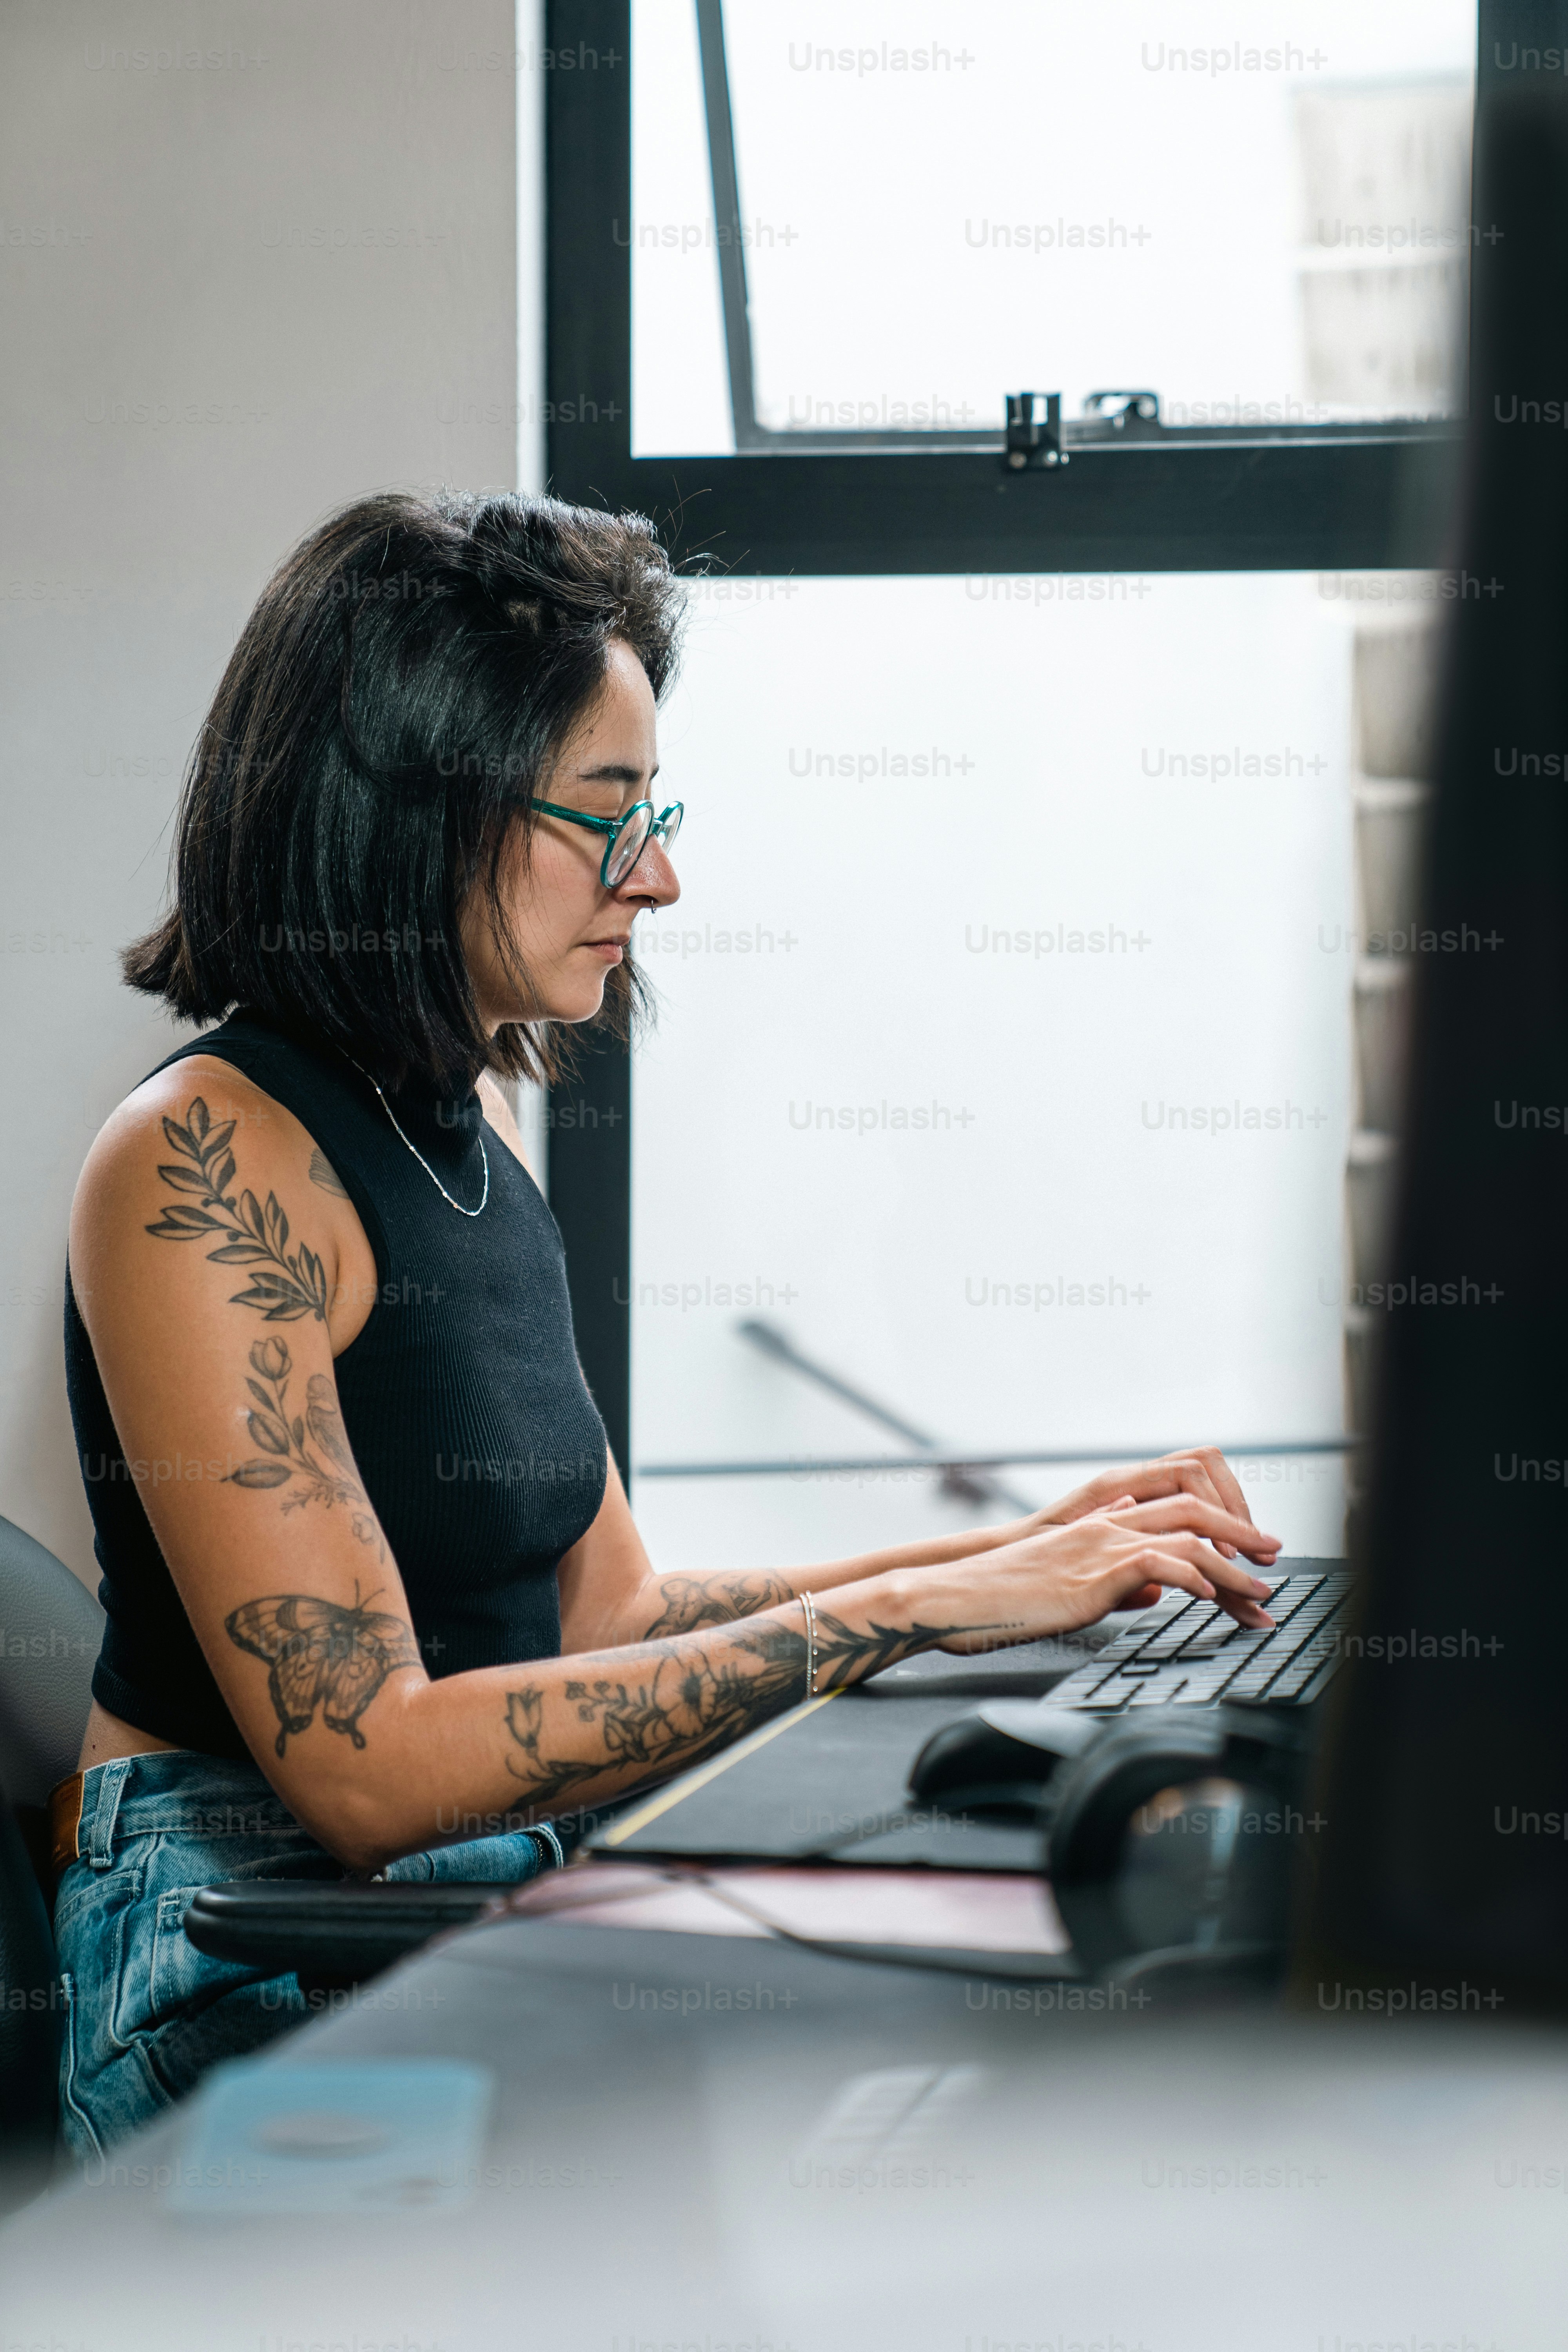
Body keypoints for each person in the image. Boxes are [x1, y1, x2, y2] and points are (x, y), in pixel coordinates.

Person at [54, 488, 1280, 2158]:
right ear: (428, 808)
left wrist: (1017, 1565)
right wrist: (919, 1603)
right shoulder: (200, 1166)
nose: (666, 876)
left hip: (470, 1896)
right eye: (610, 813)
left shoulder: (458, 1148)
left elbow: (608, 1618)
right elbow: (370, 1771)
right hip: (237, 1961)